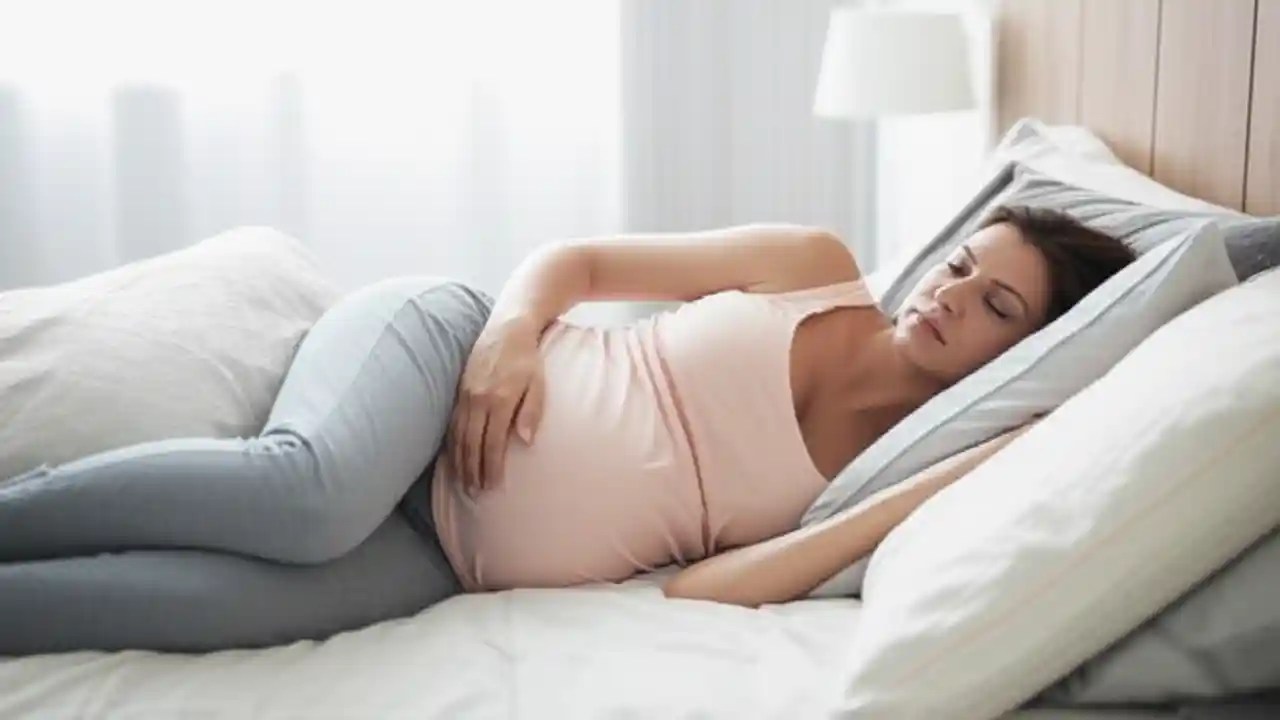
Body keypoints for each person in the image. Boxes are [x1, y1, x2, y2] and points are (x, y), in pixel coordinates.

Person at [0, 205, 1135, 655]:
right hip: (445, 358)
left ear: (1029, 349)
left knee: (179, 615)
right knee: (306, 497)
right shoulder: (818, 272)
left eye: (997, 307)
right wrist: (509, 330)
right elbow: (581, 263)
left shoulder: (878, 480)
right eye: (958, 265)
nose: (945, 295)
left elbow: (698, 593)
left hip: (436, 561)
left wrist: (935, 485)